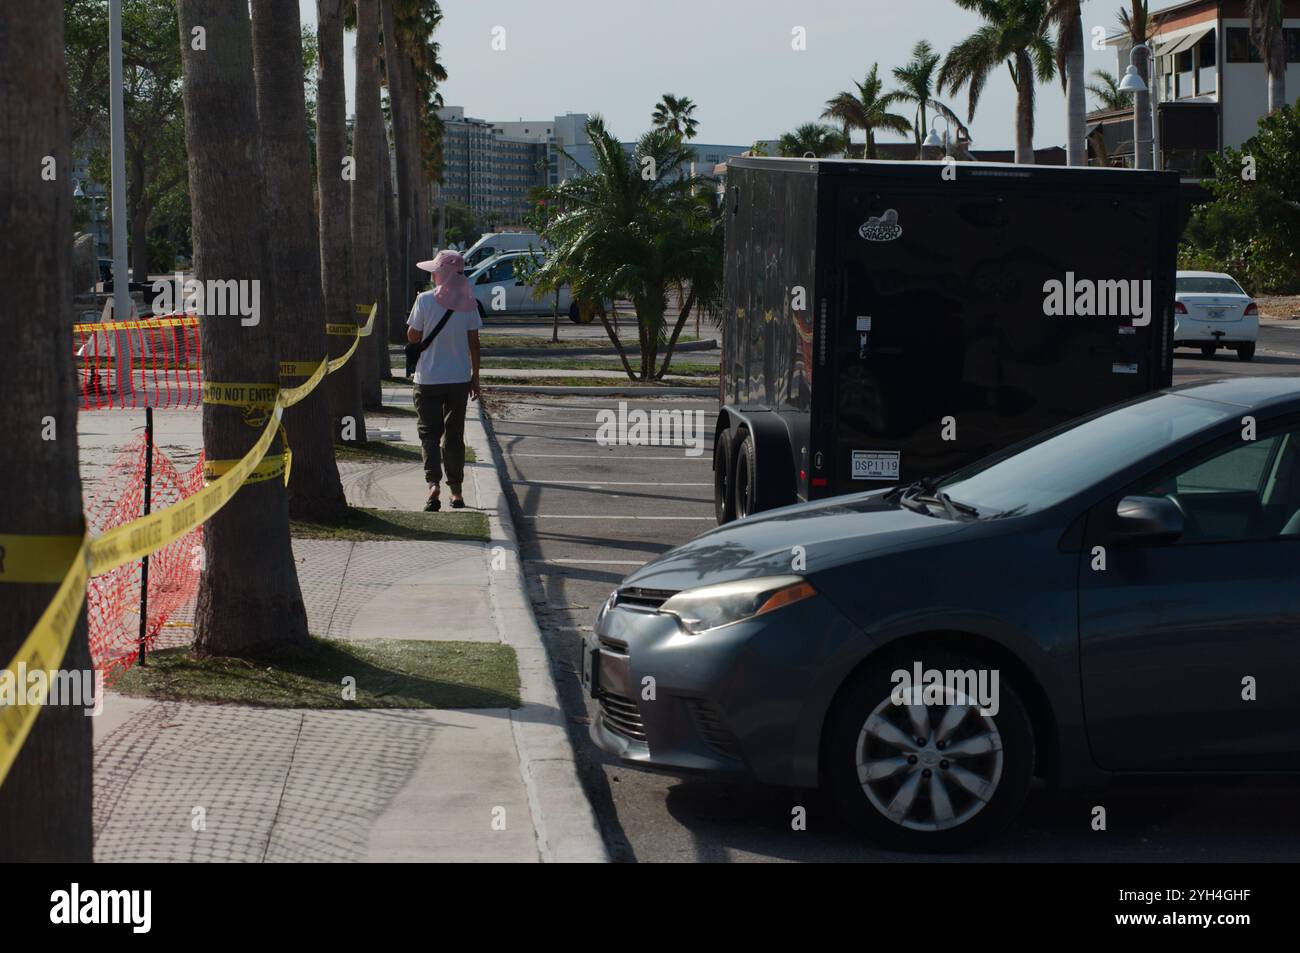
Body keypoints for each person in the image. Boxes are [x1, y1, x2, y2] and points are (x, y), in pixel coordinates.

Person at [406, 250, 483, 511]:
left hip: (427, 379)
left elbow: (413, 337)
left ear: (442, 273)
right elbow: (475, 345)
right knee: (454, 435)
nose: (433, 275)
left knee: (429, 434)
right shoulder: (470, 304)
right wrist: (476, 378)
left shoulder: (424, 301)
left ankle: (433, 486)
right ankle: (457, 491)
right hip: (459, 379)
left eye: (435, 271)